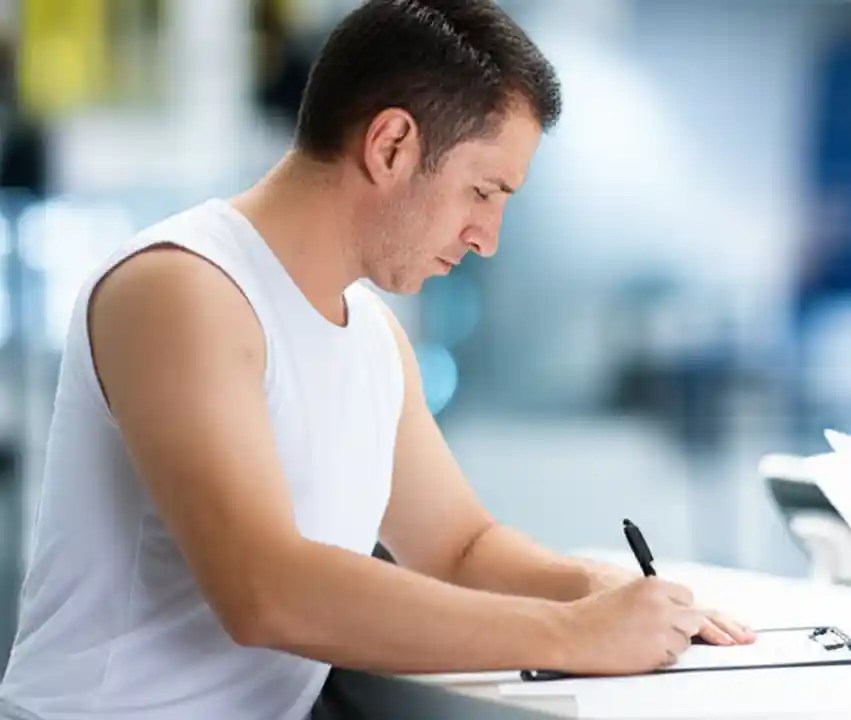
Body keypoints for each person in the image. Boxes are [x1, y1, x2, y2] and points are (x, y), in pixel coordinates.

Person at [0, 2, 753, 718]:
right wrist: (574, 635)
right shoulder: (180, 288)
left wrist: (594, 588)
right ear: (391, 145)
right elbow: (266, 590)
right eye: (483, 191)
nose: (487, 236)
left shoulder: (372, 335)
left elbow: (459, 547)